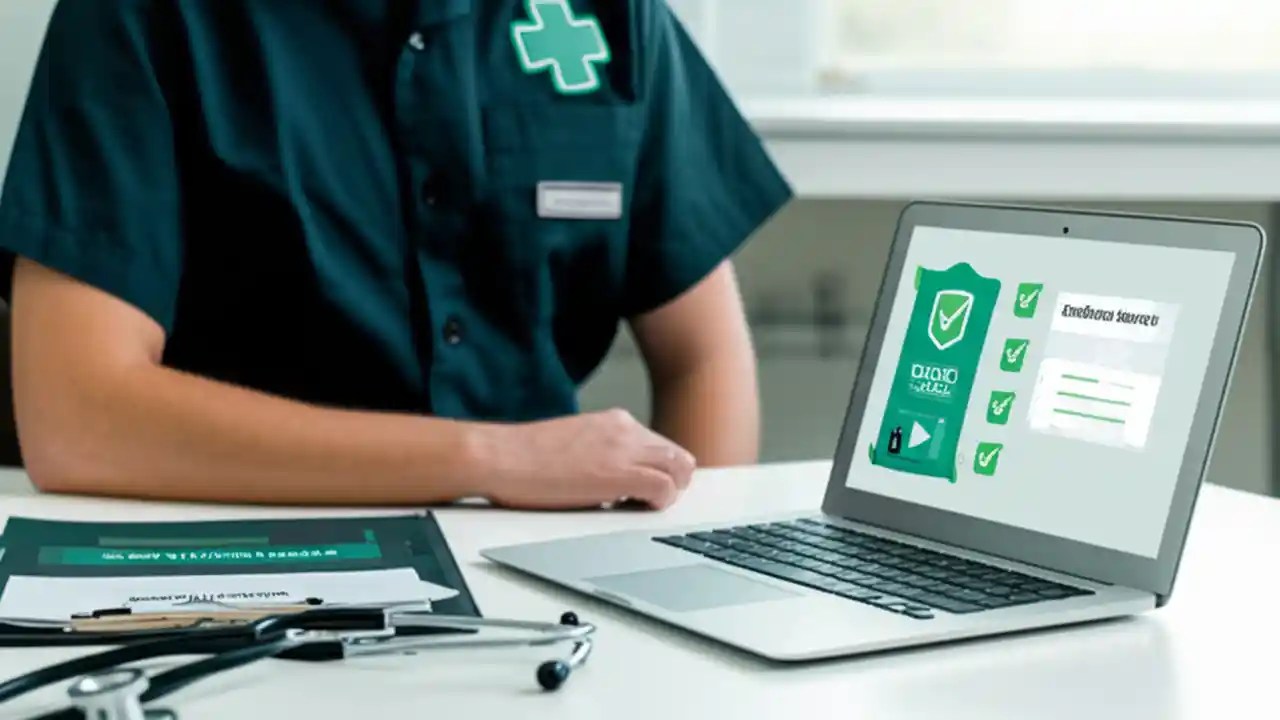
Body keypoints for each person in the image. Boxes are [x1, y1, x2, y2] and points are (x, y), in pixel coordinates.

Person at [0, 0, 792, 510]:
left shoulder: (611, 19)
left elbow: (702, 356)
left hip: (531, 572)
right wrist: (492, 458)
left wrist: (679, 552)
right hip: (235, 545)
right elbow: (78, 418)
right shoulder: (143, 17)